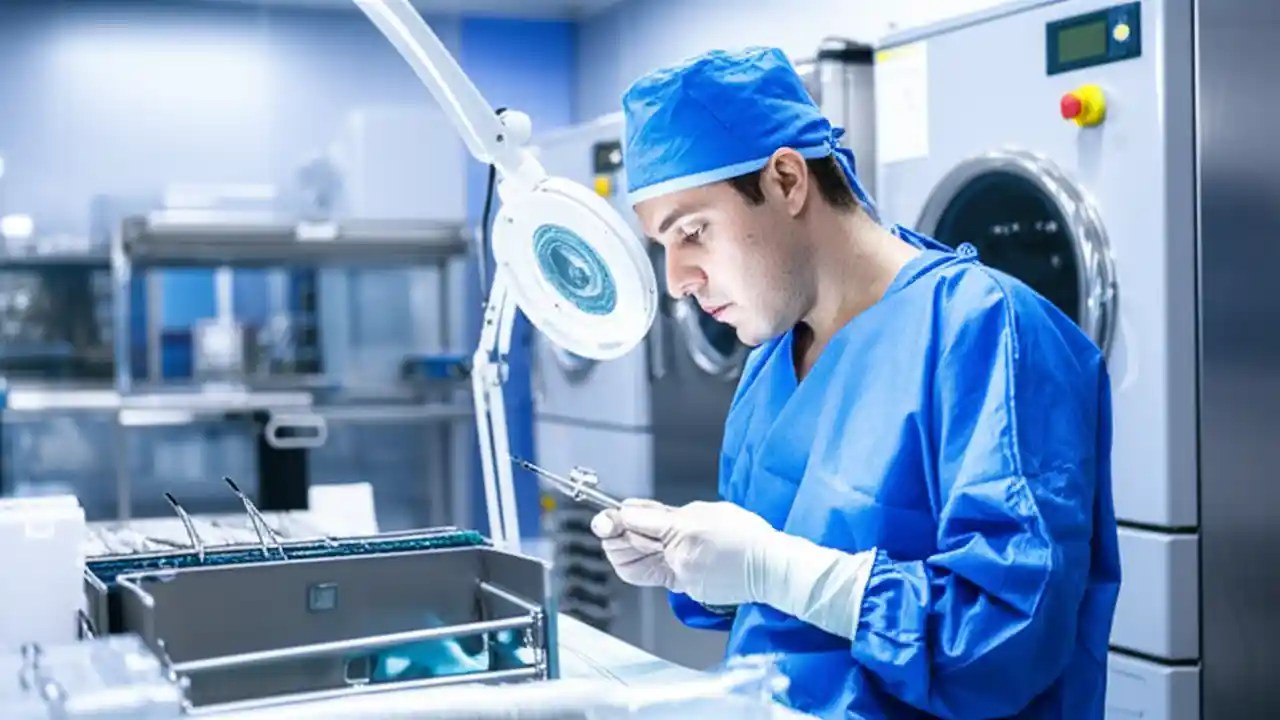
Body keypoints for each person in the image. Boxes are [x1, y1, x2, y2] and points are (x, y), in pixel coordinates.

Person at [588, 46, 1121, 719]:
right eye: (663, 247)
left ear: (786, 180)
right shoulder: (773, 355)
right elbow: (786, 609)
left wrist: (773, 568)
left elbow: (1006, 638)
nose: (677, 280)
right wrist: (697, 569)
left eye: (693, 231)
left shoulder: (985, 330)